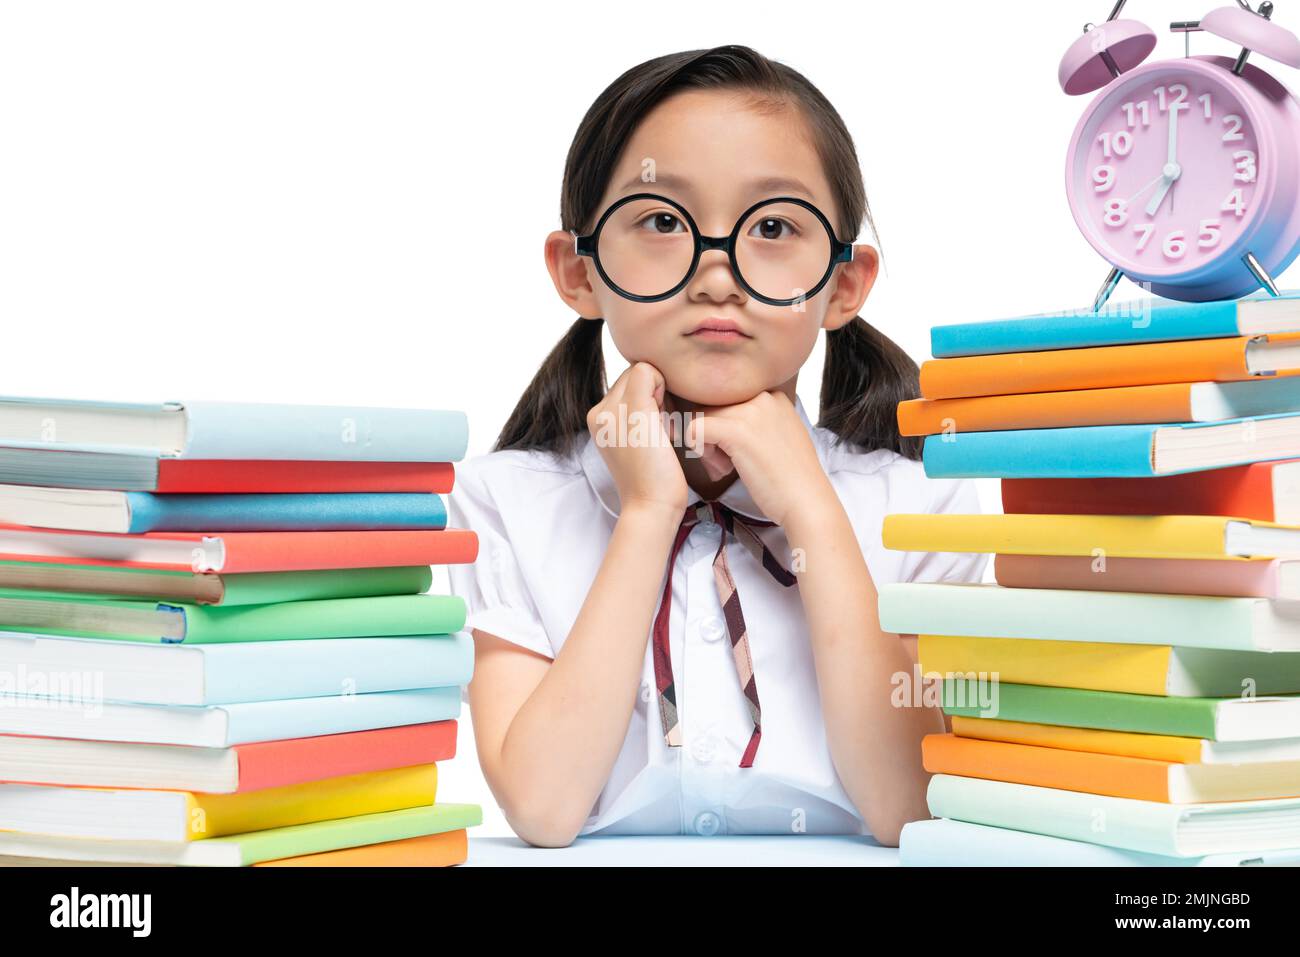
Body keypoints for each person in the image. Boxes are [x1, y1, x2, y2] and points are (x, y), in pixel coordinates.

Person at [447, 44, 986, 847]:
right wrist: (648, 511)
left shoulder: (921, 500)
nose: (717, 273)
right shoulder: (503, 500)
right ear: (578, 270)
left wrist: (811, 512)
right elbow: (544, 807)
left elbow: (909, 806)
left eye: (773, 226)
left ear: (844, 283)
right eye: (663, 221)